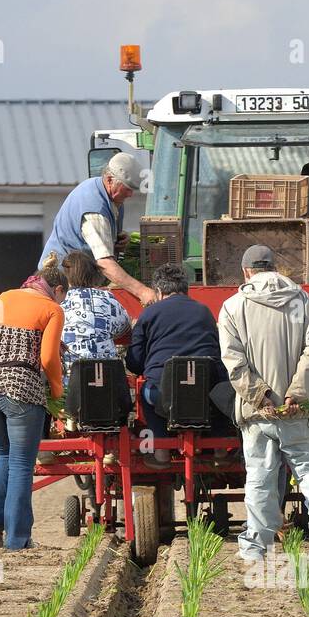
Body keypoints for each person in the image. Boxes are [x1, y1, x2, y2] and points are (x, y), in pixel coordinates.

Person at [218, 243, 309, 558]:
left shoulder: (233, 306)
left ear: (246, 271)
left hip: (257, 412)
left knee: (260, 475)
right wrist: (297, 391)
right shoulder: (304, 301)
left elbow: (233, 361)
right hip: (298, 409)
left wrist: (261, 396)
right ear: (275, 268)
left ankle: (256, 547)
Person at [0, 258, 67, 550]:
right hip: (21, 390)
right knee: (23, 464)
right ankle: (18, 539)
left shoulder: (1, 299)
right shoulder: (52, 309)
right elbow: (49, 358)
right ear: (58, 289)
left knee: (4, 454)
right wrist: (57, 390)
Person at [126, 262, 232, 450]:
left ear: (158, 291)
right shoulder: (205, 312)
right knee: (220, 391)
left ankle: (161, 453)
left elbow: (134, 362)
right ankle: (220, 452)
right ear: (186, 289)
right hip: (204, 392)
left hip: (163, 395)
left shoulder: (149, 313)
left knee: (146, 392)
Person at [40, 153, 155, 306]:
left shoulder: (103, 192)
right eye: (127, 188)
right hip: (61, 286)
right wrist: (143, 291)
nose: (131, 194)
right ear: (109, 180)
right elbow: (105, 264)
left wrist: (116, 238)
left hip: (78, 280)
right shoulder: (94, 209)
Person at [60, 251, 131, 384]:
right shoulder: (107, 298)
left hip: (69, 381)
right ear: (94, 273)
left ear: (66, 276)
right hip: (106, 378)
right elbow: (125, 327)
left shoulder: (59, 302)